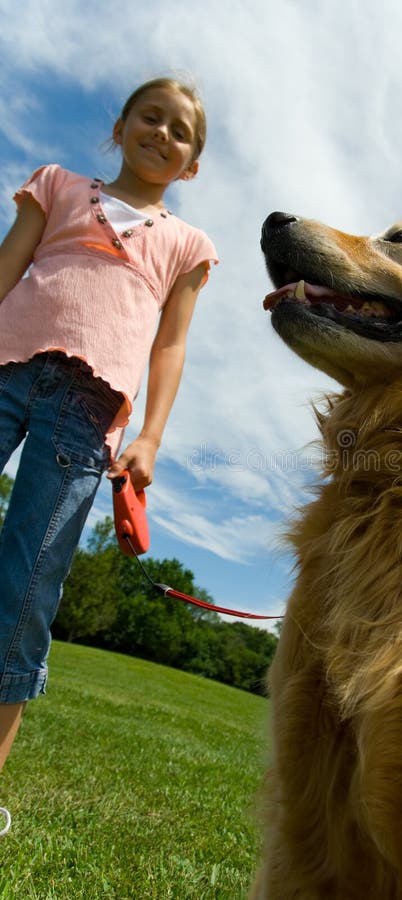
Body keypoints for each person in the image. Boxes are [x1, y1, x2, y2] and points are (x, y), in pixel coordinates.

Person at [0, 77, 218, 824]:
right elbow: (7, 270)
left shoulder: (187, 245)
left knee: (26, 588)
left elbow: (171, 344)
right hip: (6, 368)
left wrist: (152, 433)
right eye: (149, 118)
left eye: (181, 131)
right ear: (119, 127)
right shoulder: (58, 187)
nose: (163, 133)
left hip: (89, 417)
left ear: (191, 165)